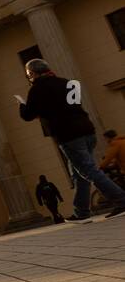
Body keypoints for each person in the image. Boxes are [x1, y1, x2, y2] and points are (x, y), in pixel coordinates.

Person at [19, 58, 125, 221]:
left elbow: (28, 115)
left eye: (29, 75)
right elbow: (72, 105)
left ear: (32, 73)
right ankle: (82, 212)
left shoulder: (37, 88)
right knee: (78, 173)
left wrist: (22, 105)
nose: (29, 78)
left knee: (87, 170)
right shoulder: (68, 82)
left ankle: (121, 200)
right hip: (87, 130)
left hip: (68, 135)